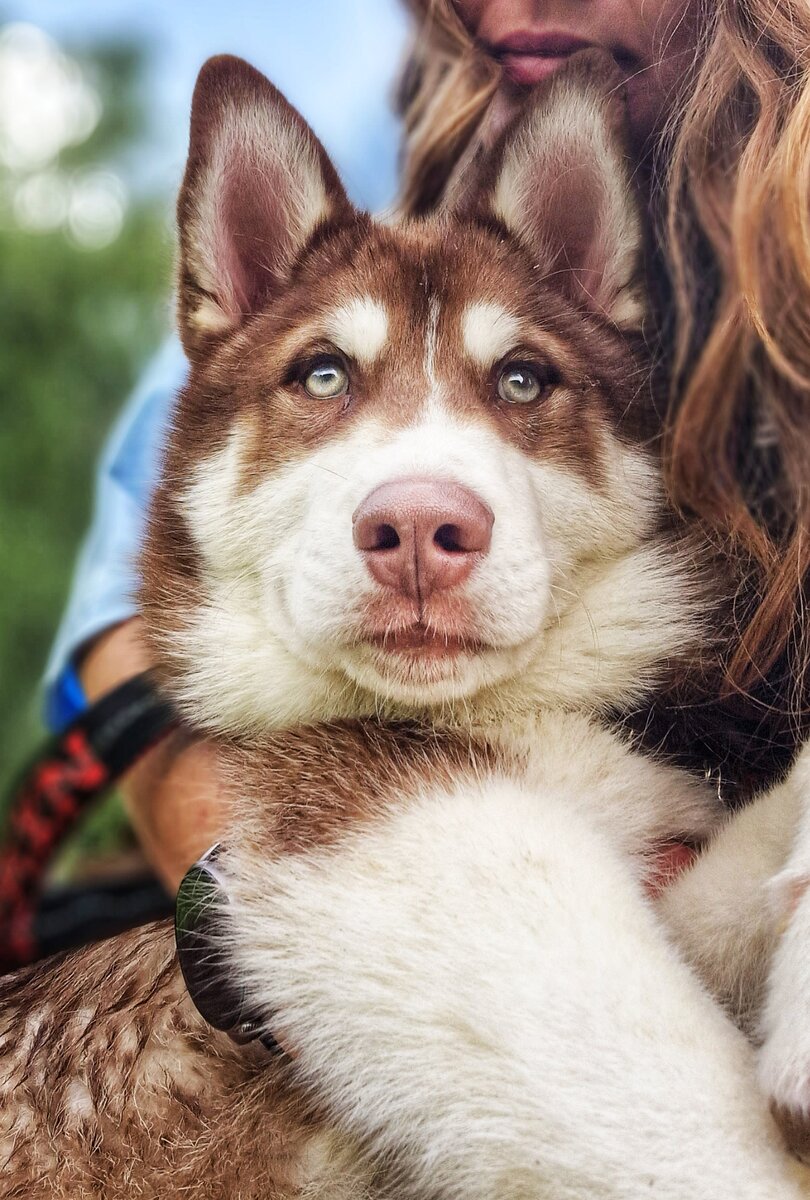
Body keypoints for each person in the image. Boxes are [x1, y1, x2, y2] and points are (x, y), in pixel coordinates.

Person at [45, 0, 810, 890]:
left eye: (520, 379)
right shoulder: (393, 134)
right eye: (324, 375)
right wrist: (276, 889)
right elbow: (138, 578)